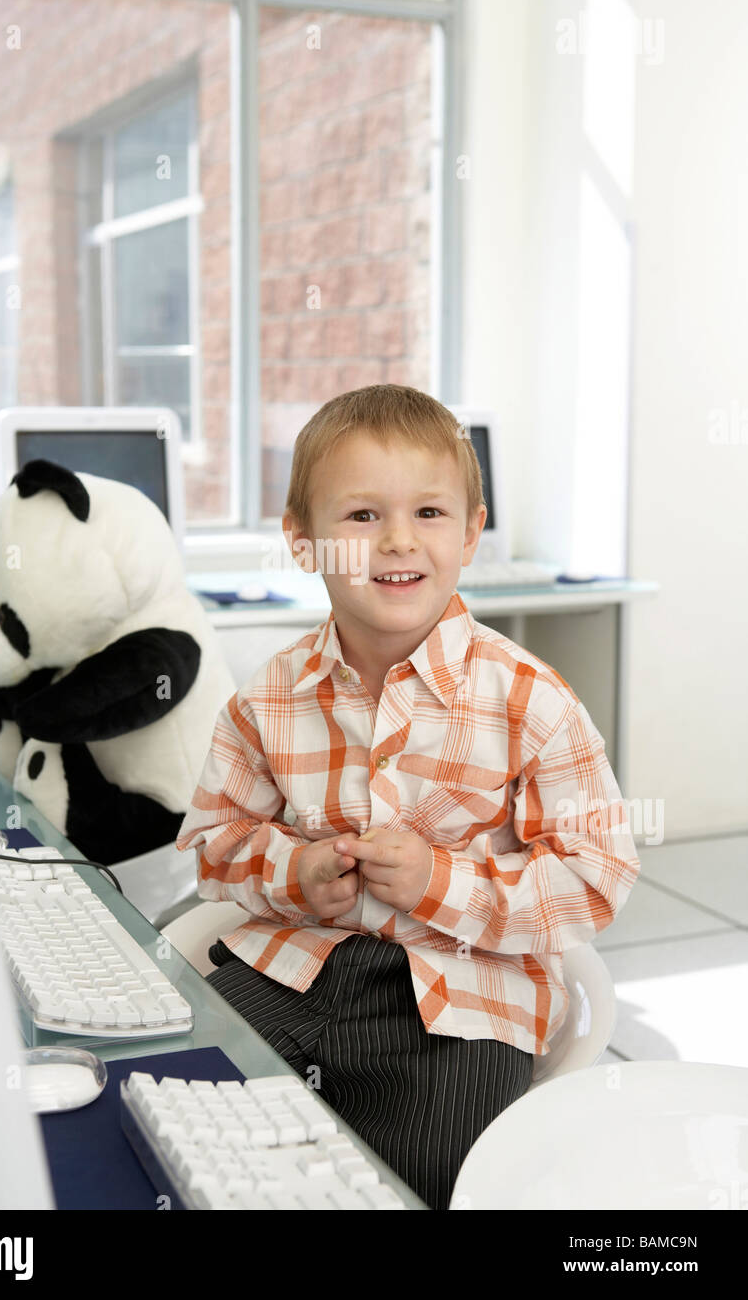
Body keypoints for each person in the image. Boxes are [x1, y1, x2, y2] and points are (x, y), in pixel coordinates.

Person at [176, 383, 641, 1210]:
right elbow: (213, 844)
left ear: (470, 531)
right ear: (303, 541)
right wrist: (294, 871)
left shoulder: (529, 700)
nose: (398, 540)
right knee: (177, 1110)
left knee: (426, 1177)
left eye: (429, 512)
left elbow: (599, 876)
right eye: (361, 517)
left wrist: (441, 884)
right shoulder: (268, 698)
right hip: (294, 966)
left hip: (461, 1000)